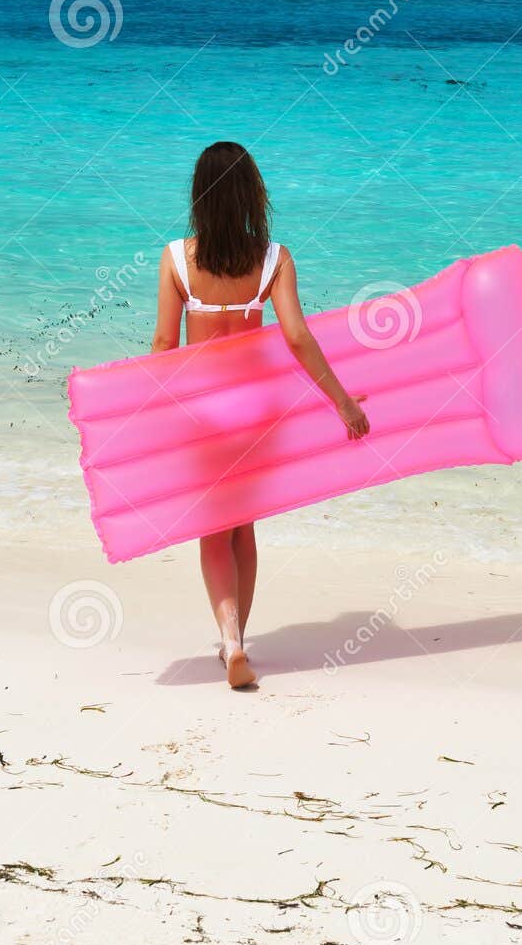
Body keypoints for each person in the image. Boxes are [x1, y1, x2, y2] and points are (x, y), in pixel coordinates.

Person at [150, 141, 369, 689]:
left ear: (198, 195)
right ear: (253, 194)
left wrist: (153, 421)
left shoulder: (177, 258)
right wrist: (342, 401)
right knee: (243, 527)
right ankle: (237, 643)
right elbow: (296, 336)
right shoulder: (274, 258)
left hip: (201, 412)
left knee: (211, 531)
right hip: (257, 413)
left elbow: (162, 345)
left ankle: (230, 642)